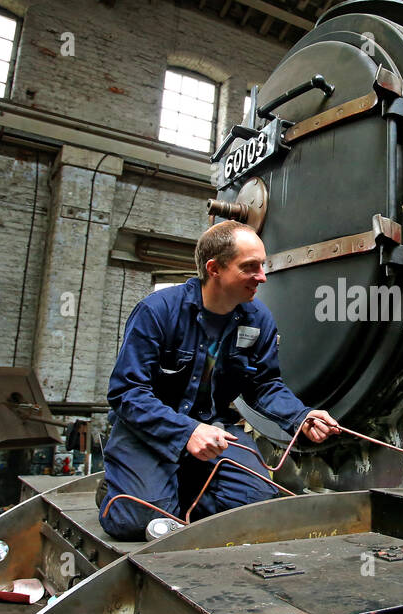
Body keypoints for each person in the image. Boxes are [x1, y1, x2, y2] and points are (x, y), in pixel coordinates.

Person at [99, 221, 340, 541]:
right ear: (214, 269)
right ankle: (126, 487)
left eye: (263, 266)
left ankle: (174, 488)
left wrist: (300, 416)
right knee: (140, 521)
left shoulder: (259, 320)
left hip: (214, 428)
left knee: (257, 506)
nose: (263, 277)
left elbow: (264, 384)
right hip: (149, 430)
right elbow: (126, 392)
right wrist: (186, 432)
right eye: (249, 267)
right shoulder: (157, 312)